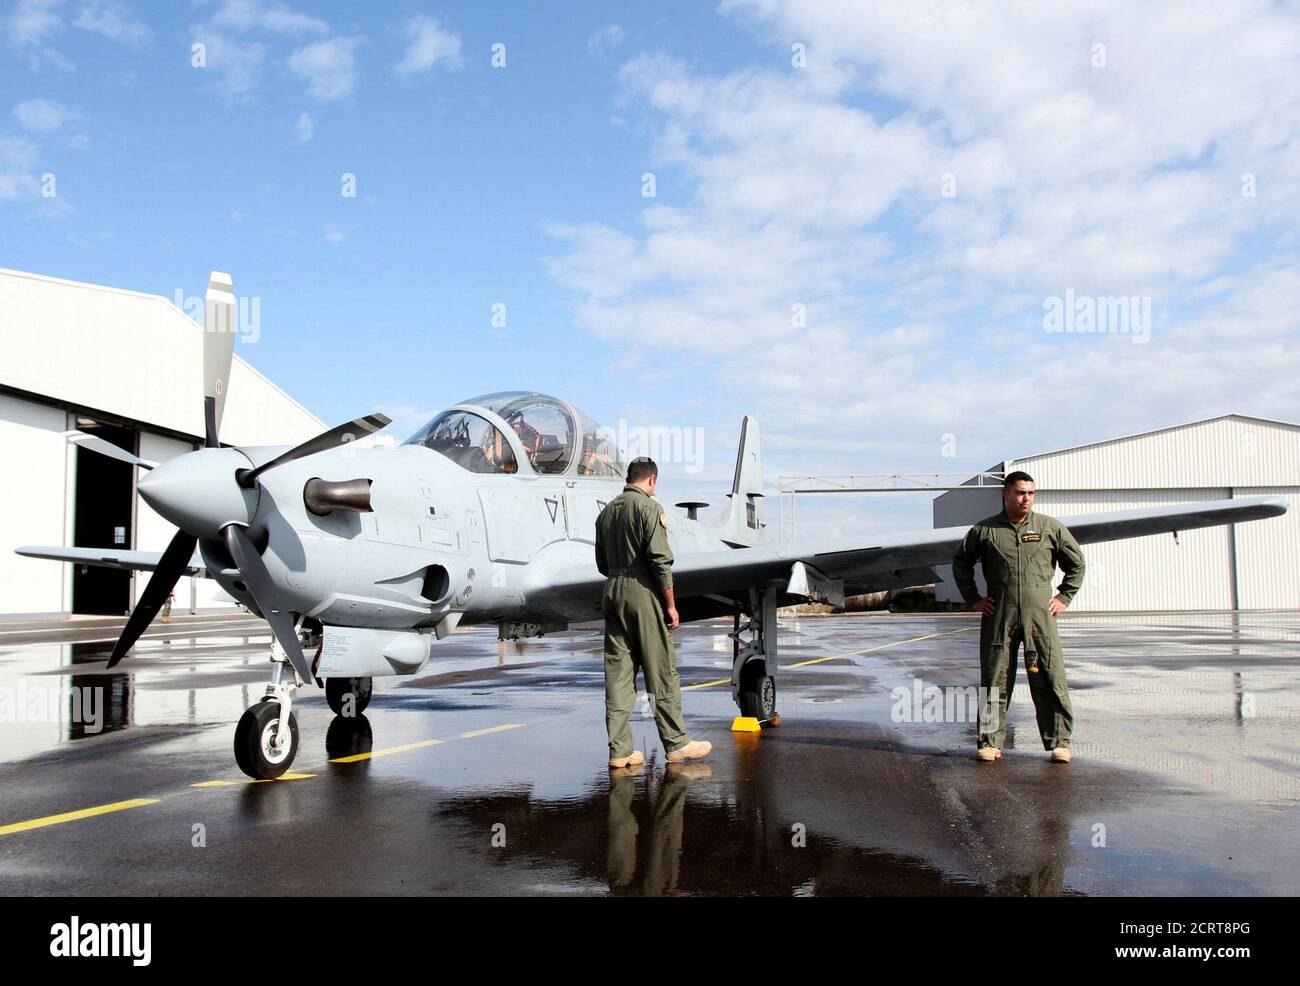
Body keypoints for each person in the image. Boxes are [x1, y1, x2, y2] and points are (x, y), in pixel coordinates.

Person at [952, 471, 1085, 763]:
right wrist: (974, 599)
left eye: (1031, 493)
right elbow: (961, 562)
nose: (1026, 499)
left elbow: (1076, 563)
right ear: (1006, 495)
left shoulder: (1050, 527)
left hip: (1040, 614)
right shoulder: (985, 530)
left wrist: (1063, 597)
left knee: (1050, 675)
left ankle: (1059, 742)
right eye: (1021, 493)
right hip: (1000, 612)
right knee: (995, 677)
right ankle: (990, 742)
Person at [595, 456, 711, 768]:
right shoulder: (649, 508)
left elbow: (602, 564)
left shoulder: (606, 512)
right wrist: (670, 605)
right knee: (661, 669)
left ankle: (620, 751)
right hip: (641, 592)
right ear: (651, 480)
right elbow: (660, 561)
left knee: (618, 674)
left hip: (612, 590)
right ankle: (677, 743)